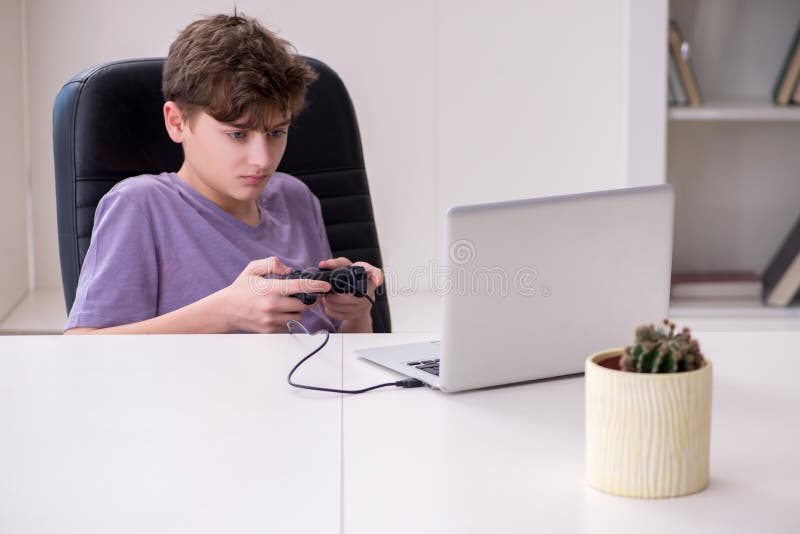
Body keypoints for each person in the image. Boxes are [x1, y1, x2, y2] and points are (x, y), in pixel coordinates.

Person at [64, 13, 383, 335]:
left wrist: (355, 314)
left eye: (275, 133)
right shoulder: (141, 206)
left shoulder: (296, 198)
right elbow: (81, 348)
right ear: (177, 122)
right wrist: (223, 314)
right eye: (237, 135)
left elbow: (340, 363)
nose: (262, 160)